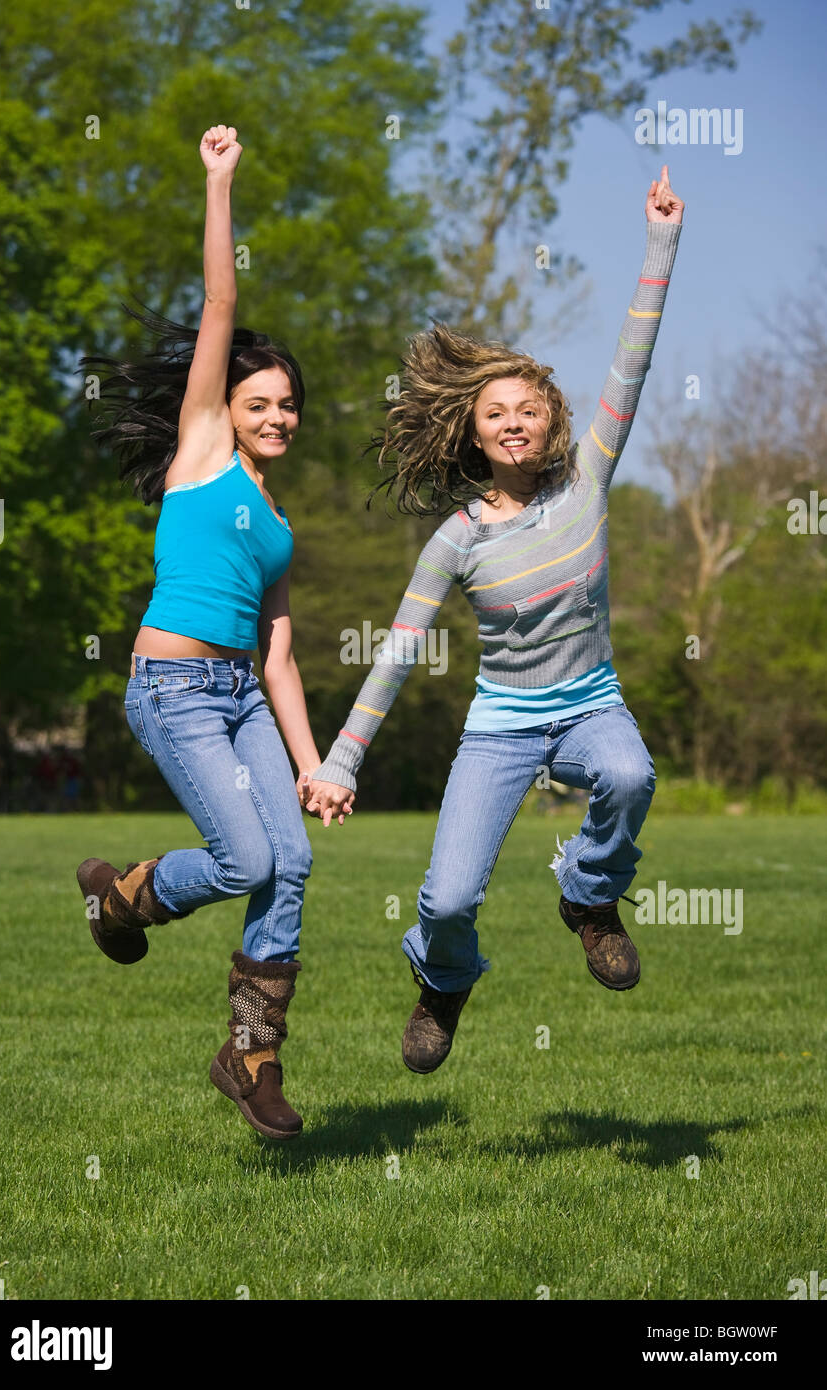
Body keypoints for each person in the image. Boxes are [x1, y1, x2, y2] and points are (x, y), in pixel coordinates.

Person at [308, 166, 684, 1074]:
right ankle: (444, 984)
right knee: (443, 901)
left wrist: (660, 243)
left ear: (551, 417)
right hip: (501, 727)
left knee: (631, 776)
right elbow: (398, 653)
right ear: (474, 436)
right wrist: (341, 759)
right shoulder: (459, 539)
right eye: (496, 416)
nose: (514, 424)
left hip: (591, 703)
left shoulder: (587, 478)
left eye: (528, 409)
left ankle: (589, 898)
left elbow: (632, 359)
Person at [75, 125, 336, 1141]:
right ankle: (123, 898)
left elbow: (279, 652)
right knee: (240, 860)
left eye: (287, 406)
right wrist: (219, 183)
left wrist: (313, 764)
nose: (275, 415)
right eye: (258, 401)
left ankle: (252, 1056)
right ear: (224, 408)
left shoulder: (274, 523)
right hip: (174, 690)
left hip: (241, 697)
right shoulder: (202, 454)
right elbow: (220, 305)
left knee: (292, 860)